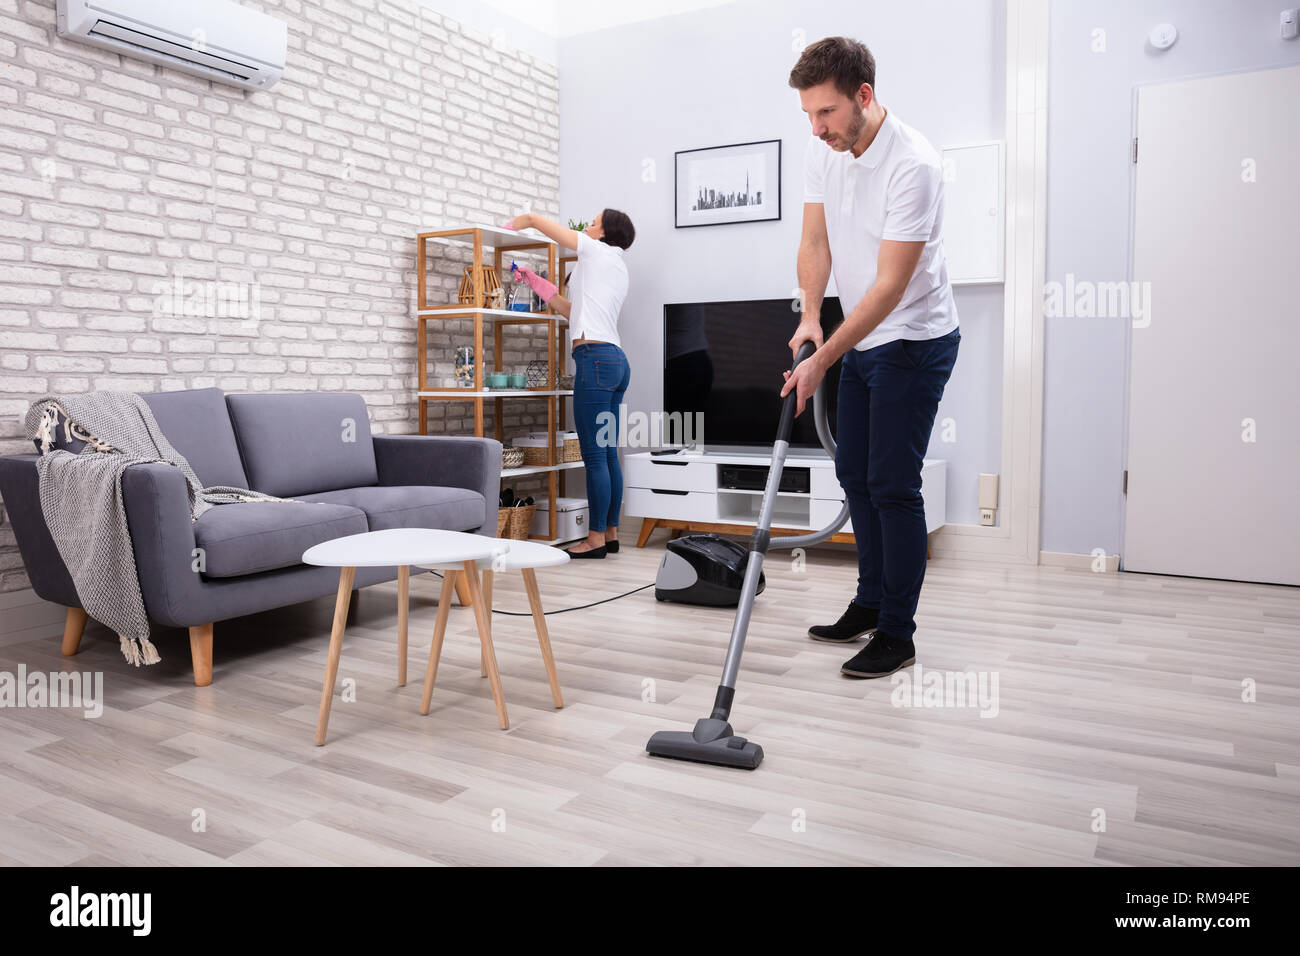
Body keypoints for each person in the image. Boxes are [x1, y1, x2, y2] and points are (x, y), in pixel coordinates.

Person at [780, 37, 961, 678]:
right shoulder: (821, 148)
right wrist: (809, 317)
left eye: (826, 112)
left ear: (864, 96)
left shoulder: (915, 166)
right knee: (854, 475)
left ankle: (897, 633)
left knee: (891, 483)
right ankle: (869, 601)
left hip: (913, 337)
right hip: (859, 336)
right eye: (808, 114)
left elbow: (889, 287)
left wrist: (822, 358)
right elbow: (814, 240)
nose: (816, 127)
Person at [506, 209, 636, 558]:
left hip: (595, 361)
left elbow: (561, 234)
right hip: (614, 362)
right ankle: (609, 534)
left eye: (594, 223)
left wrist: (528, 220)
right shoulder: (612, 265)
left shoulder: (597, 251)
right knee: (608, 455)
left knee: (595, 457)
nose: (588, 227)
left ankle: (593, 539)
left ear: (605, 232)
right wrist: (534, 280)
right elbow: (570, 309)